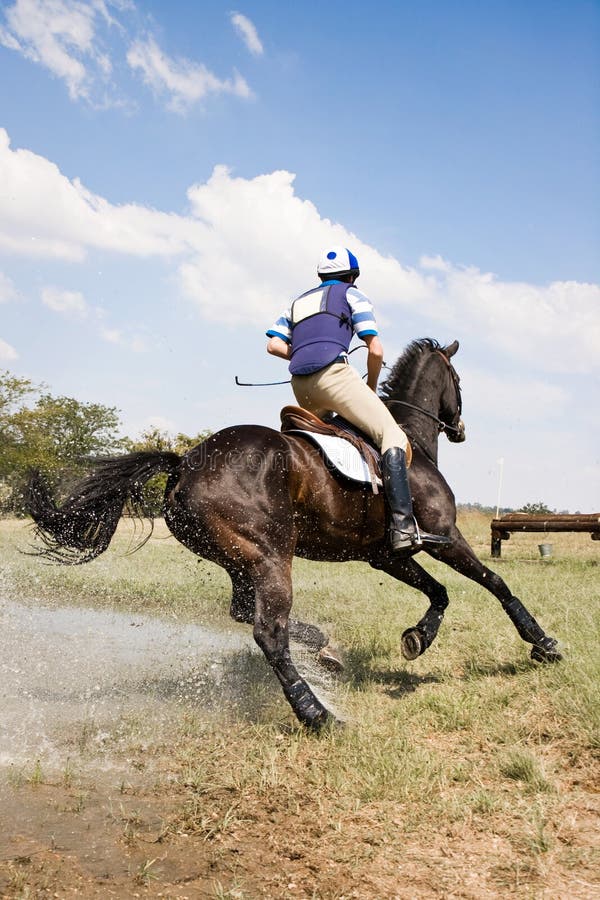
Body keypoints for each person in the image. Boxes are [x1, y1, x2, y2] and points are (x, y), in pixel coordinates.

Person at [266, 246, 449, 553]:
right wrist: (371, 386)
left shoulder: (297, 303)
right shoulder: (353, 295)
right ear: (352, 277)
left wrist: (302, 353)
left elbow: (273, 345)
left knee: (329, 439)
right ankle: (403, 526)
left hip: (301, 386)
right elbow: (375, 349)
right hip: (335, 378)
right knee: (392, 435)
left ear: (320, 276)